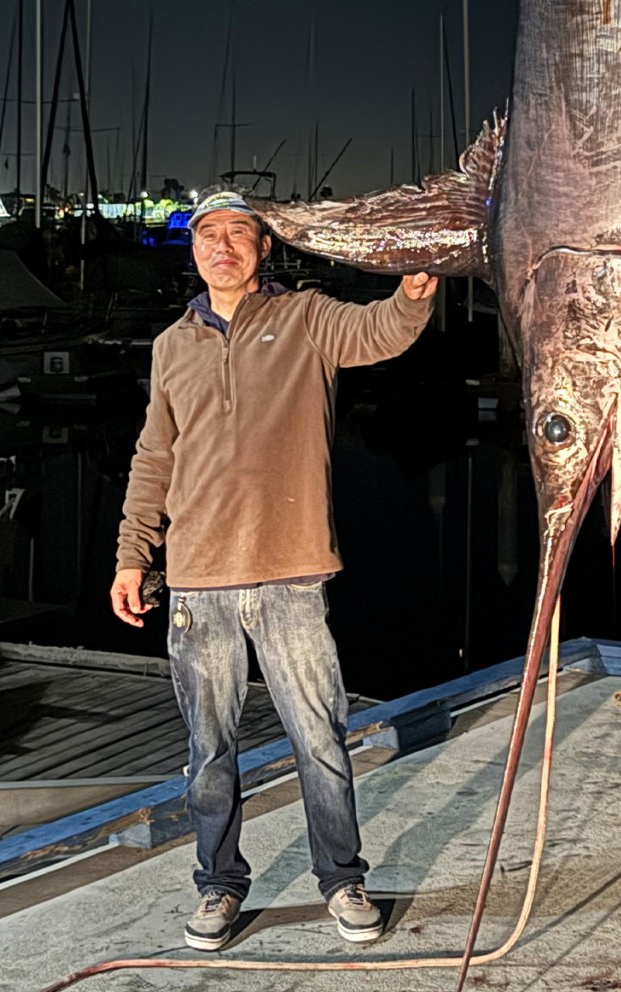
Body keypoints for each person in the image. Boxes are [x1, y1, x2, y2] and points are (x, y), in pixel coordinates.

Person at [110, 189, 438, 951]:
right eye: (207, 235)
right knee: (209, 751)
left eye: (237, 233)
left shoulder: (306, 317)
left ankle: (342, 877)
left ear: (263, 247)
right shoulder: (171, 345)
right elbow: (153, 458)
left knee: (319, 737)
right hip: (196, 581)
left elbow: (379, 331)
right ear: (192, 250)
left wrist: (413, 292)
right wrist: (134, 556)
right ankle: (219, 886)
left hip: (290, 575)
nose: (221, 246)